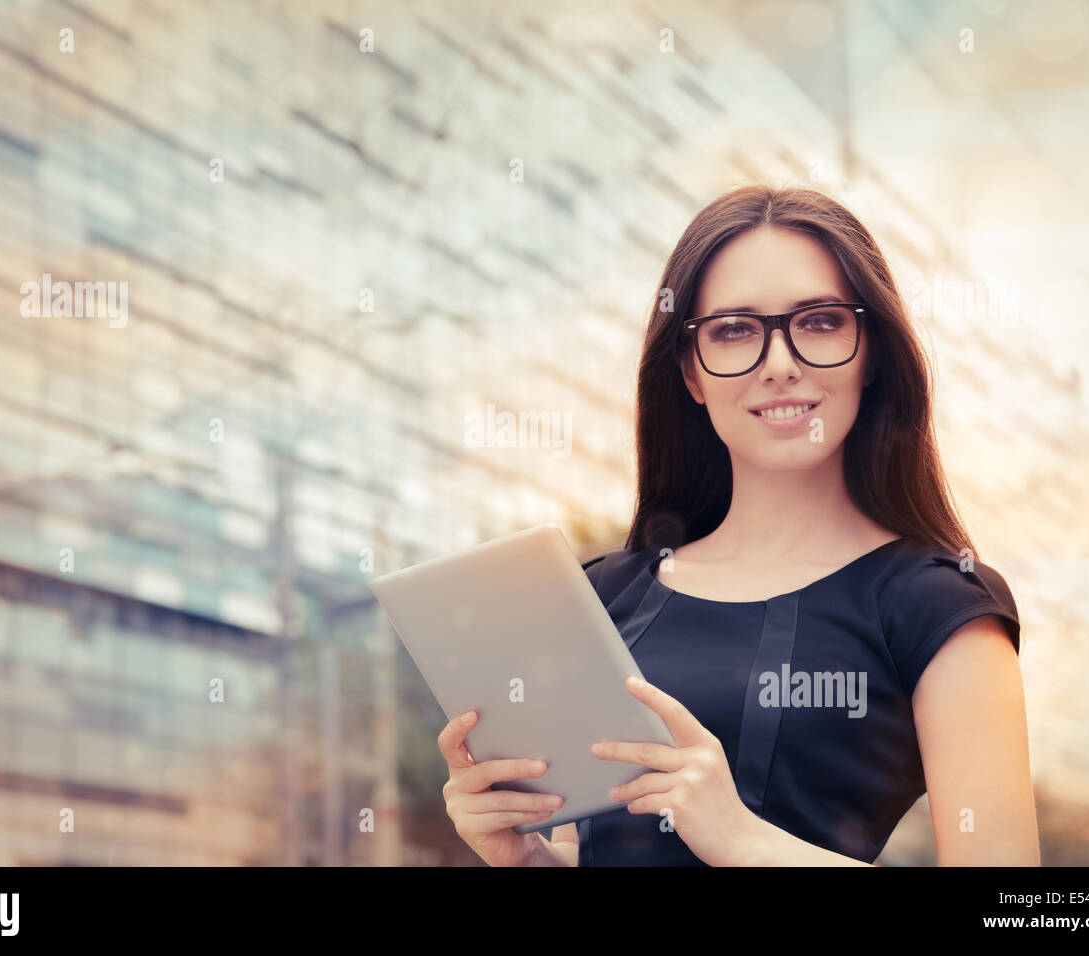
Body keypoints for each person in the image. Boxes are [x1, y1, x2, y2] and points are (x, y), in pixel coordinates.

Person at [438, 184, 1039, 866]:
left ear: (870, 351)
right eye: (732, 331)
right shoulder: (604, 595)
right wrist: (521, 857)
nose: (780, 365)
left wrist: (743, 839)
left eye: (818, 321)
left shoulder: (937, 605)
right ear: (691, 373)